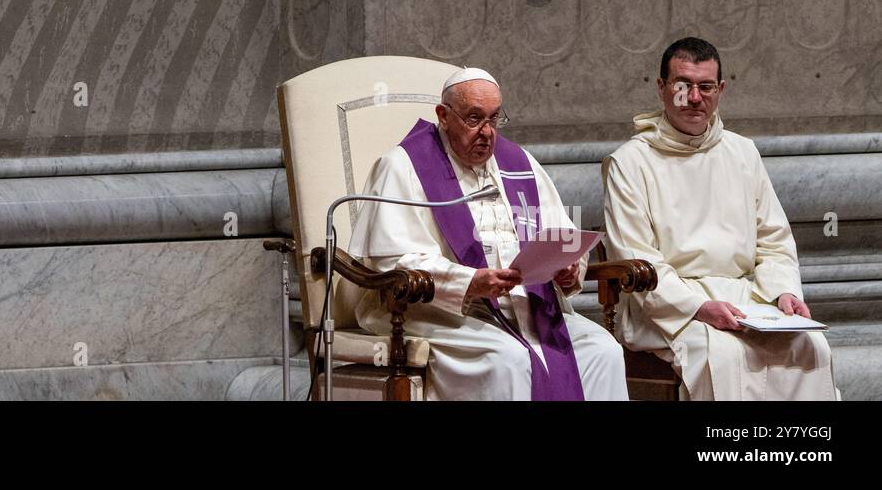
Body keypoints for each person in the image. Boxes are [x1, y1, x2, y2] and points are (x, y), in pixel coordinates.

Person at [348, 67, 627, 400]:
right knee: (506, 361)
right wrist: (470, 282)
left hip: (529, 307)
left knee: (603, 350)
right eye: (473, 119)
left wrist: (569, 269)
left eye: (494, 119)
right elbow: (392, 260)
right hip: (447, 312)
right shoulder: (404, 166)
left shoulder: (519, 163)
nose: (487, 132)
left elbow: (562, 236)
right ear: (443, 115)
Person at [601, 37, 837, 400]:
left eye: (705, 87)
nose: (694, 98)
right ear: (662, 88)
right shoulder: (630, 163)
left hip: (748, 299)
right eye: (682, 86)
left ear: (721, 90)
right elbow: (637, 258)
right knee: (724, 356)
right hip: (671, 307)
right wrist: (699, 308)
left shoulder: (742, 153)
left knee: (810, 346)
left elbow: (774, 240)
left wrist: (783, 291)